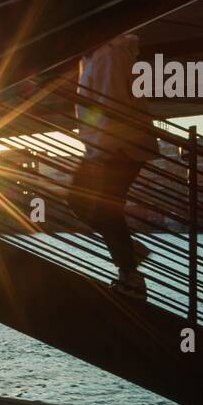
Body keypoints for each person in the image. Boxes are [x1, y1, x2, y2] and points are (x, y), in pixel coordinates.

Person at [67, 34, 158, 299]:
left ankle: (131, 277)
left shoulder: (109, 56)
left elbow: (111, 103)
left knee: (98, 207)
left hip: (117, 147)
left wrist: (104, 149)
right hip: (107, 145)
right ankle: (129, 256)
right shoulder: (93, 57)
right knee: (87, 204)